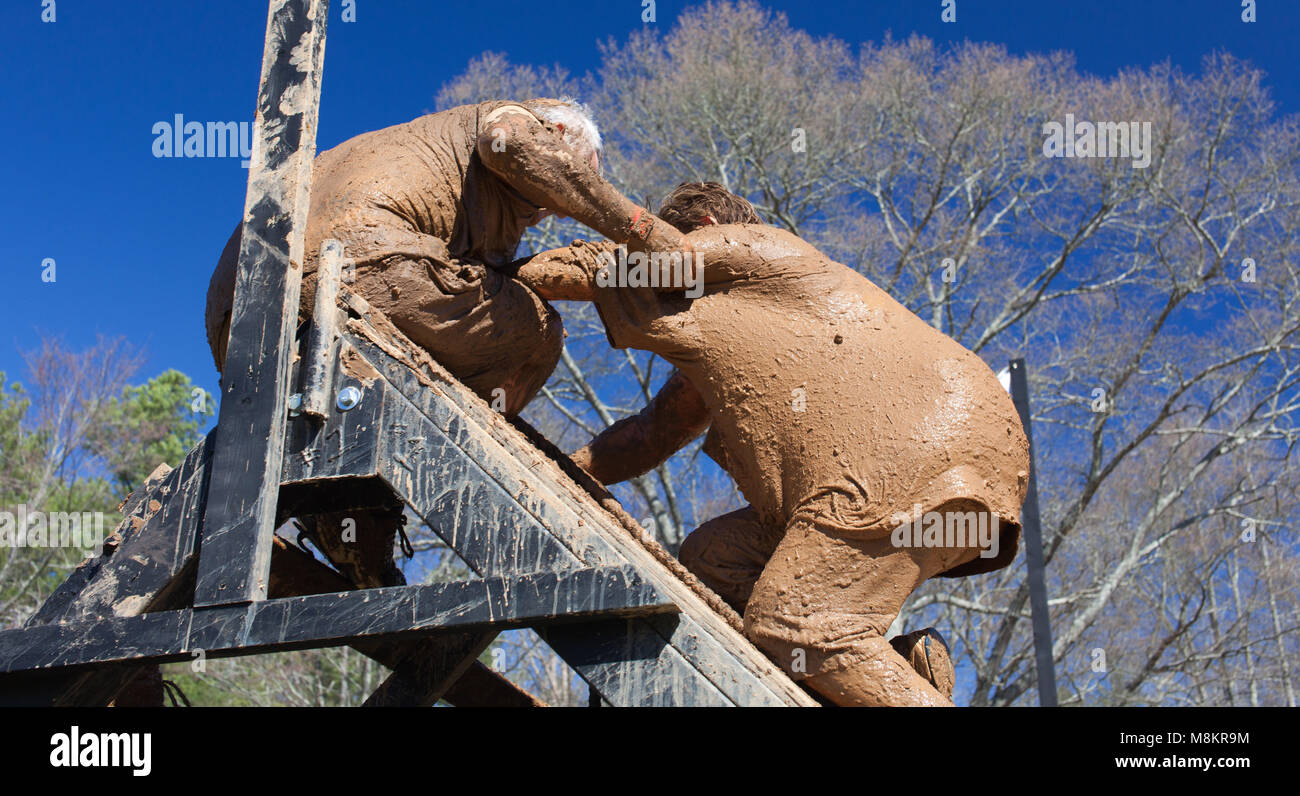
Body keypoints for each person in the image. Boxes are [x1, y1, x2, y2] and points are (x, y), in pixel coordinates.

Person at [515, 182, 1030, 706]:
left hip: (912, 450)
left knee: (794, 621)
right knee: (712, 560)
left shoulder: (758, 248)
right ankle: (897, 674)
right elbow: (652, 434)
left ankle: (854, 653)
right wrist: (558, 468)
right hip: (962, 460)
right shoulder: (743, 328)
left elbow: (634, 263)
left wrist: (505, 277)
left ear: (711, 228)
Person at [205, 98, 692, 587]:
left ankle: (353, 508)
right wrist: (652, 236)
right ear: (558, 130)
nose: (549, 215)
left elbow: (502, 275)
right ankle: (445, 470)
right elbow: (514, 144)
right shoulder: (512, 122)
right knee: (539, 334)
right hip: (360, 268)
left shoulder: (411, 157)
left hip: (242, 315)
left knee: (503, 306)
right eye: (562, 192)